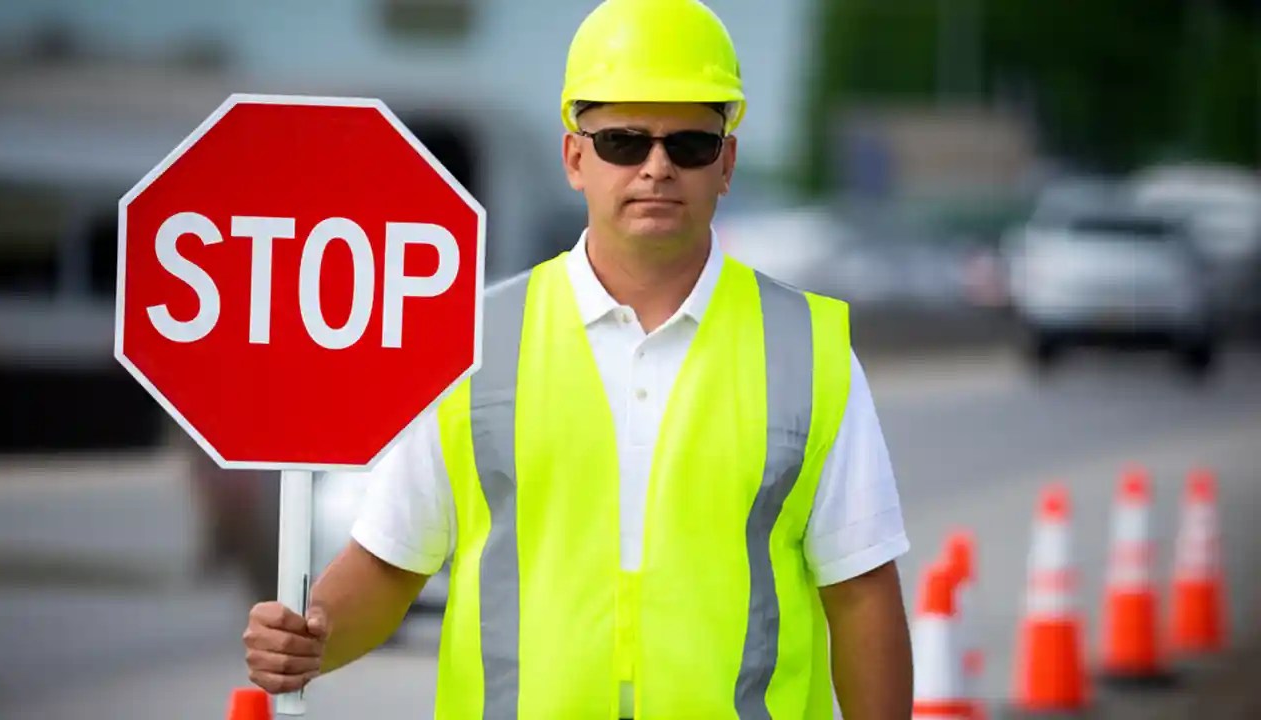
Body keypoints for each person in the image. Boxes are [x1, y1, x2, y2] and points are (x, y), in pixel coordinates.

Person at [243, 0, 912, 717]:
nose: (657, 167)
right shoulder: (473, 343)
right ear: (574, 158)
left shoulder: (807, 350)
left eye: (689, 145)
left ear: (727, 163)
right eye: (625, 142)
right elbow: (386, 565)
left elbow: (860, 596)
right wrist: (312, 638)